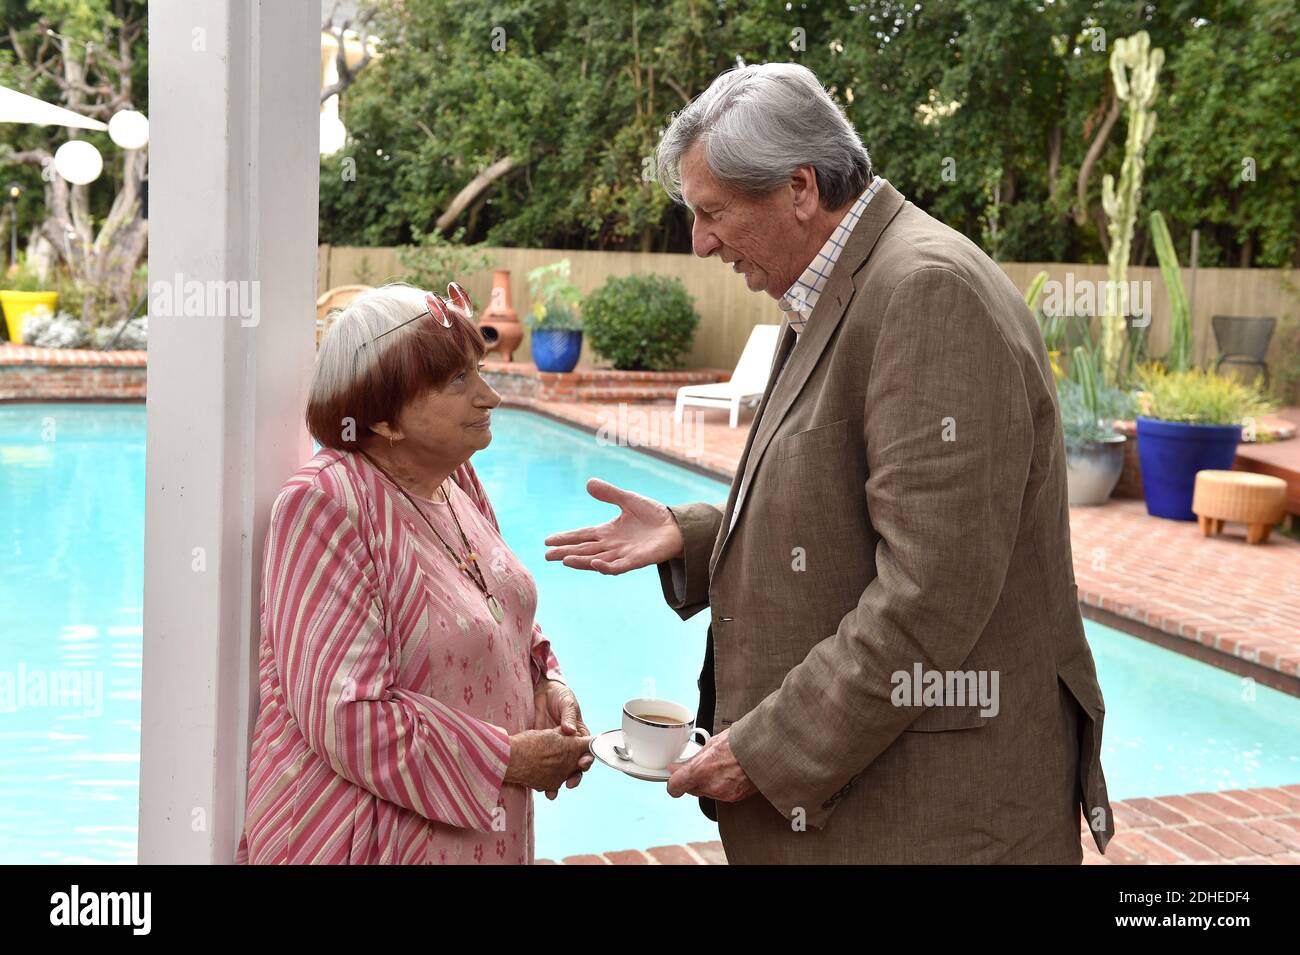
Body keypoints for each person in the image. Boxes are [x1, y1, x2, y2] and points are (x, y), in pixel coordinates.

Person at [545, 63, 1113, 863]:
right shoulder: (839, 283)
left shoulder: (924, 293)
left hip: (930, 819)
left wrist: (765, 749)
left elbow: (931, 593)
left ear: (800, 188)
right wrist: (697, 535)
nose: (699, 241)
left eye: (712, 213)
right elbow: (852, 504)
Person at [238, 282, 591, 864]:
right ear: (383, 418)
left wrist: (545, 684)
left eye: (478, 369)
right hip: (367, 843)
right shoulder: (327, 505)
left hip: (479, 833)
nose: (490, 396)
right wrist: (509, 758)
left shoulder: (457, 481)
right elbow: (347, 718)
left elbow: (497, 609)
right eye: (459, 381)